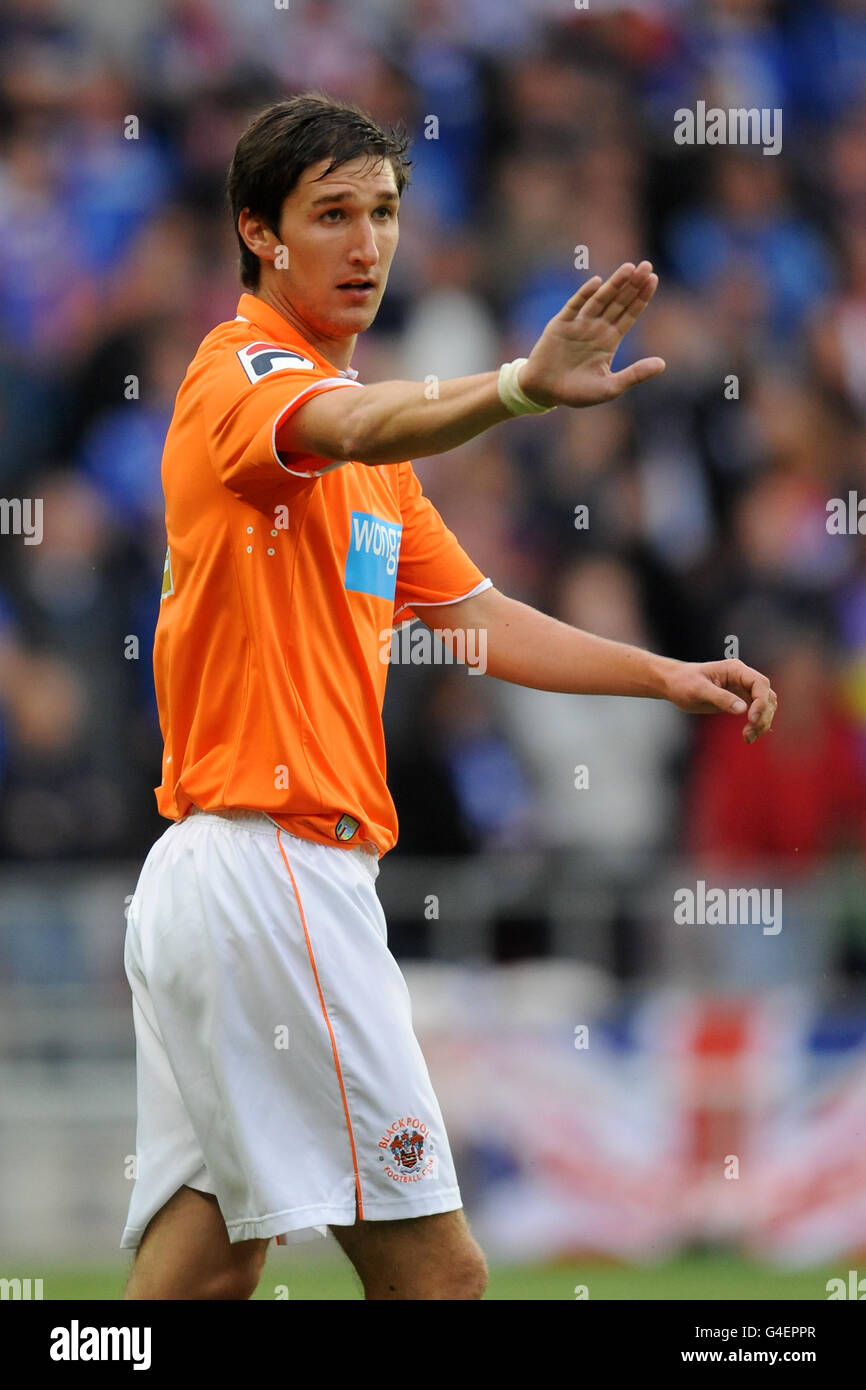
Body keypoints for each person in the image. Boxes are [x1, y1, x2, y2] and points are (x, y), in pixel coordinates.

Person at [121, 92, 777, 1301]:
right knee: (437, 1277)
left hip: (222, 882)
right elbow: (357, 419)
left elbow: (471, 619)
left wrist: (661, 675)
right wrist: (521, 389)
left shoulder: (375, 473)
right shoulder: (246, 379)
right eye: (330, 215)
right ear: (257, 232)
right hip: (275, 869)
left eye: (383, 213)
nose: (367, 244)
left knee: (206, 1268)